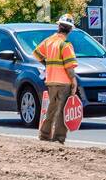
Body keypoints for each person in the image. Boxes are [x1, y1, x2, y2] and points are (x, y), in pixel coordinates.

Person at [34, 14, 80, 144]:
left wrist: (47, 64)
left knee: (51, 109)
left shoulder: (49, 41)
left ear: (59, 26)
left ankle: (44, 135)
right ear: (70, 30)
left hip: (51, 81)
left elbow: (36, 53)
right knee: (62, 112)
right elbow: (69, 67)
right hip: (63, 82)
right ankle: (59, 138)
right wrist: (74, 81)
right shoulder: (65, 45)